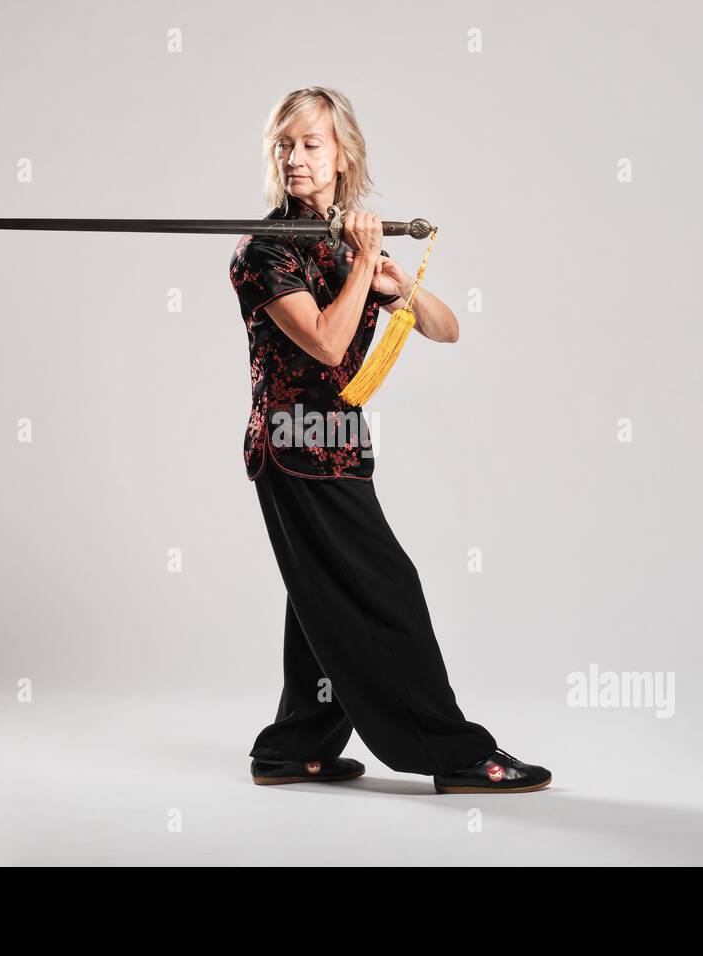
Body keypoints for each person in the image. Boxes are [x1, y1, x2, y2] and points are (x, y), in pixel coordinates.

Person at [228, 87, 551, 794]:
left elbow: (446, 327)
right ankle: (456, 754)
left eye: (312, 144)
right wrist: (359, 266)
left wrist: (396, 283)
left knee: (320, 594)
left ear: (343, 155)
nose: (296, 158)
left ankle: (295, 746)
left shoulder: (346, 245)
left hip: (340, 445)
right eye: (285, 144)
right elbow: (324, 343)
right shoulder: (262, 254)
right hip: (293, 445)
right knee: (384, 589)